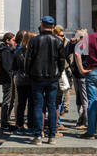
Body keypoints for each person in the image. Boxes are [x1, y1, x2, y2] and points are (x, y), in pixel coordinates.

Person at [25, 16, 68, 145]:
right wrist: (59, 72)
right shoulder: (58, 42)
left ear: (42, 25)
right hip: (52, 78)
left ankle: (38, 136)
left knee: (38, 106)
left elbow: (28, 60)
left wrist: (29, 73)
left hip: (37, 77)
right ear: (53, 26)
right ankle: (52, 136)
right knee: (52, 106)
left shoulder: (34, 41)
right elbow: (62, 61)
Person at [0, 32, 17, 131]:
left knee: (10, 100)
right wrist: (11, 76)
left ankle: (6, 121)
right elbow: (7, 67)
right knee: (7, 101)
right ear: (8, 41)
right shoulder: (5, 51)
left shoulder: (7, 50)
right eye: (13, 40)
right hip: (7, 79)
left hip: (8, 78)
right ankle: (4, 123)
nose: (15, 42)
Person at [12, 29, 32, 132]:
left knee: (21, 103)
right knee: (31, 103)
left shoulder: (18, 51)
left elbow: (14, 67)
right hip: (30, 80)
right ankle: (30, 123)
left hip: (20, 79)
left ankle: (19, 124)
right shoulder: (32, 52)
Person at [70, 28, 90, 128]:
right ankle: (82, 119)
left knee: (83, 98)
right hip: (82, 73)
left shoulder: (81, 45)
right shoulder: (85, 44)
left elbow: (77, 56)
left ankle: (85, 121)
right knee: (82, 98)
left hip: (81, 74)